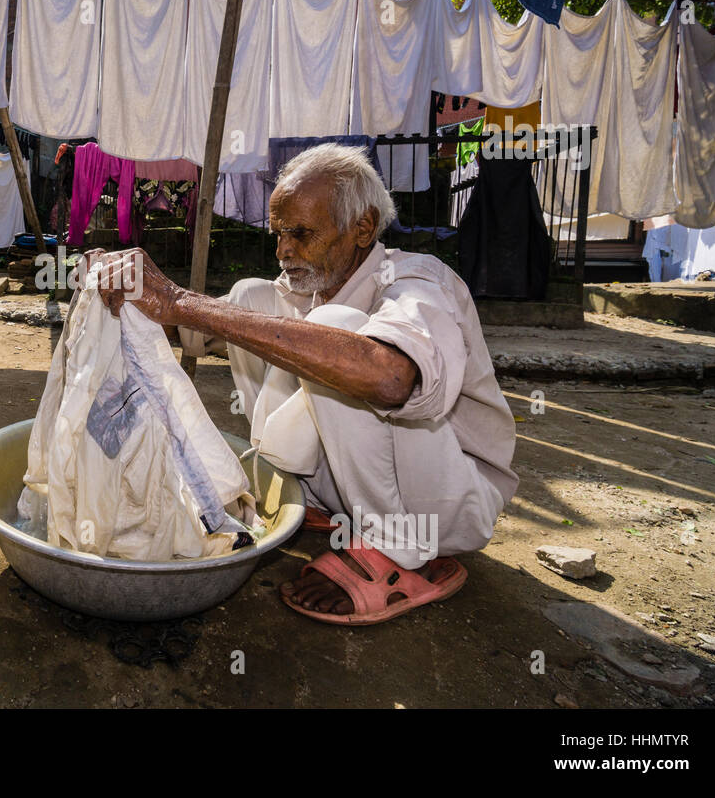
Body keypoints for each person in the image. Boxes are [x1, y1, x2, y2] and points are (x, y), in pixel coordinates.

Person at [95, 143, 517, 625]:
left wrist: (182, 302)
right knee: (250, 300)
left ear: (362, 228)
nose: (284, 250)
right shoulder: (295, 289)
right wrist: (125, 298)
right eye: (278, 234)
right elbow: (194, 331)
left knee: (338, 336)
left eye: (301, 233)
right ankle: (318, 501)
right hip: (342, 491)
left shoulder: (417, 281)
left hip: (445, 501)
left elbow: (390, 377)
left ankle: (398, 553)